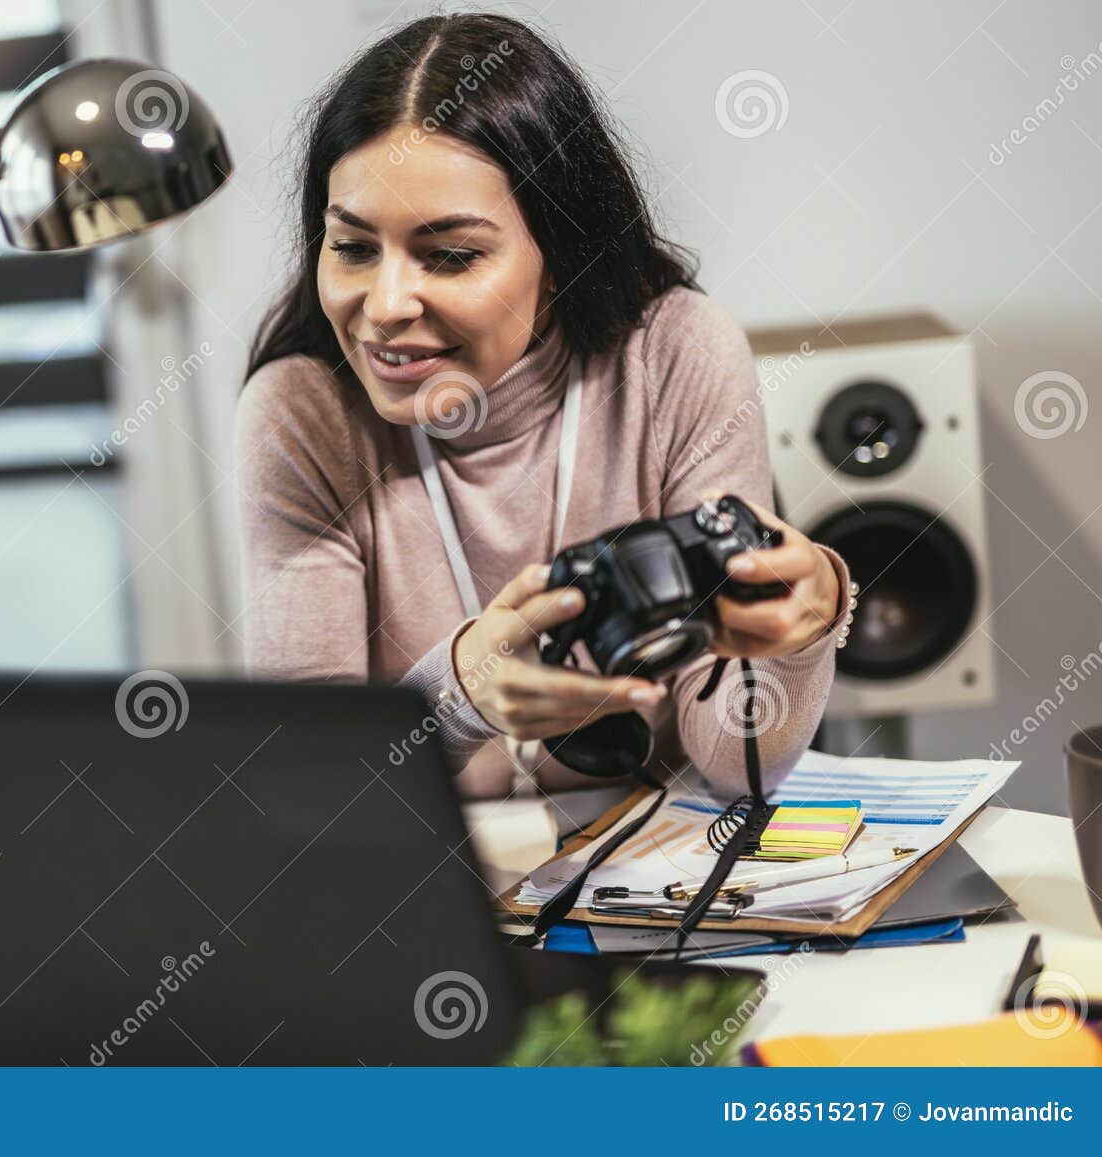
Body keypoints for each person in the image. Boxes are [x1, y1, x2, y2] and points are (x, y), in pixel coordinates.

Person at [237, 13, 851, 800]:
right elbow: (310, 793)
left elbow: (735, 760)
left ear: (559, 256)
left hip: (648, 870)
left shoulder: (677, 355)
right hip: (432, 882)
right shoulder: (302, 414)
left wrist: (803, 631)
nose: (385, 305)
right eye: (353, 247)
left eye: (450, 255)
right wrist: (460, 692)